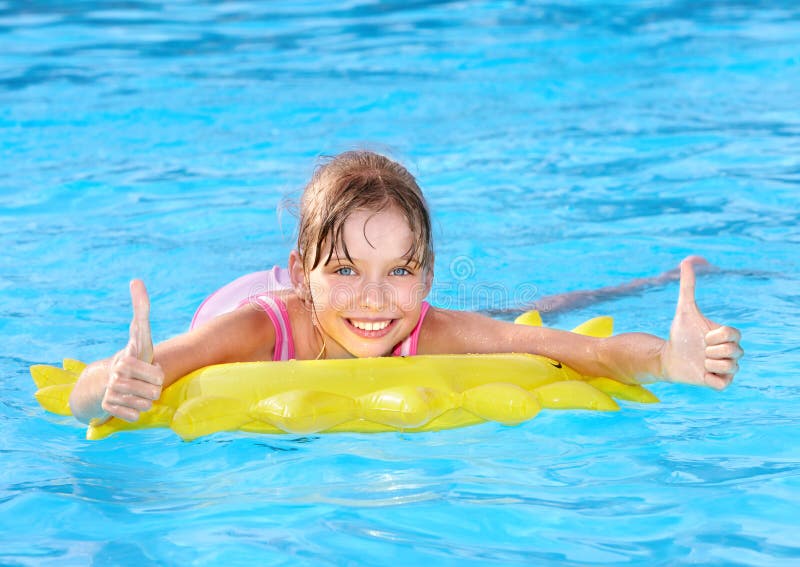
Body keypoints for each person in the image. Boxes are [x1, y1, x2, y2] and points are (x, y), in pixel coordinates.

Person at [68, 151, 743, 425]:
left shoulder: (424, 323)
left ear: (424, 269)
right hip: (271, 307)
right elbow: (89, 392)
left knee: (514, 317)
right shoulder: (254, 329)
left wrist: (664, 360)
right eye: (344, 269)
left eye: (400, 269)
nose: (373, 299)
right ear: (304, 267)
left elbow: (578, 351)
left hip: (358, 310)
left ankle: (642, 280)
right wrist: (111, 386)